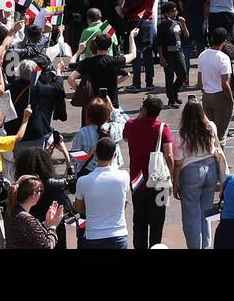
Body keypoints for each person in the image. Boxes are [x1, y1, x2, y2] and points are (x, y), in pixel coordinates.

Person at [122, 94, 175, 250]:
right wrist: (171, 178)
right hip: (160, 182)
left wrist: (140, 115)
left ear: (143, 109)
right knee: (158, 220)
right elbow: (169, 155)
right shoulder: (162, 128)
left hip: (137, 180)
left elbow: (125, 138)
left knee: (139, 221)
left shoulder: (131, 125)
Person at [172, 98, 223, 249]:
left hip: (191, 172)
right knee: (206, 212)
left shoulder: (182, 133)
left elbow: (178, 163)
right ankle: (207, 244)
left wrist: (175, 183)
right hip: (211, 169)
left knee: (191, 214)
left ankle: (195, 246)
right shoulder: (211, 127)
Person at [72, 136, 129, 250]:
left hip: (93, 237)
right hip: (118, 235)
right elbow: (122, 202)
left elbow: (78, 208)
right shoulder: (124, 176)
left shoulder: (83, 181)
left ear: (95, 154)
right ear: (114, 156)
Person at [196, 26, 234, 140]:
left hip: (207, 97)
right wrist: (231, 101)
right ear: (224, 41)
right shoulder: (224, 58)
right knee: (220, 136)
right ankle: (219, 157)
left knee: (209, 134)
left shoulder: (202, 55)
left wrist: (206, 91)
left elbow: (199, 82)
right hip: (220, 97)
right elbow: (225, 84)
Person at [5, 175, 64, 250]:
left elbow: (30, 233)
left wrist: (47, 224)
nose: (41, 194)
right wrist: (53, 227)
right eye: (40, 191)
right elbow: (47, 246)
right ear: (34, 194)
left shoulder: (13, 210)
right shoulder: (26, 218)